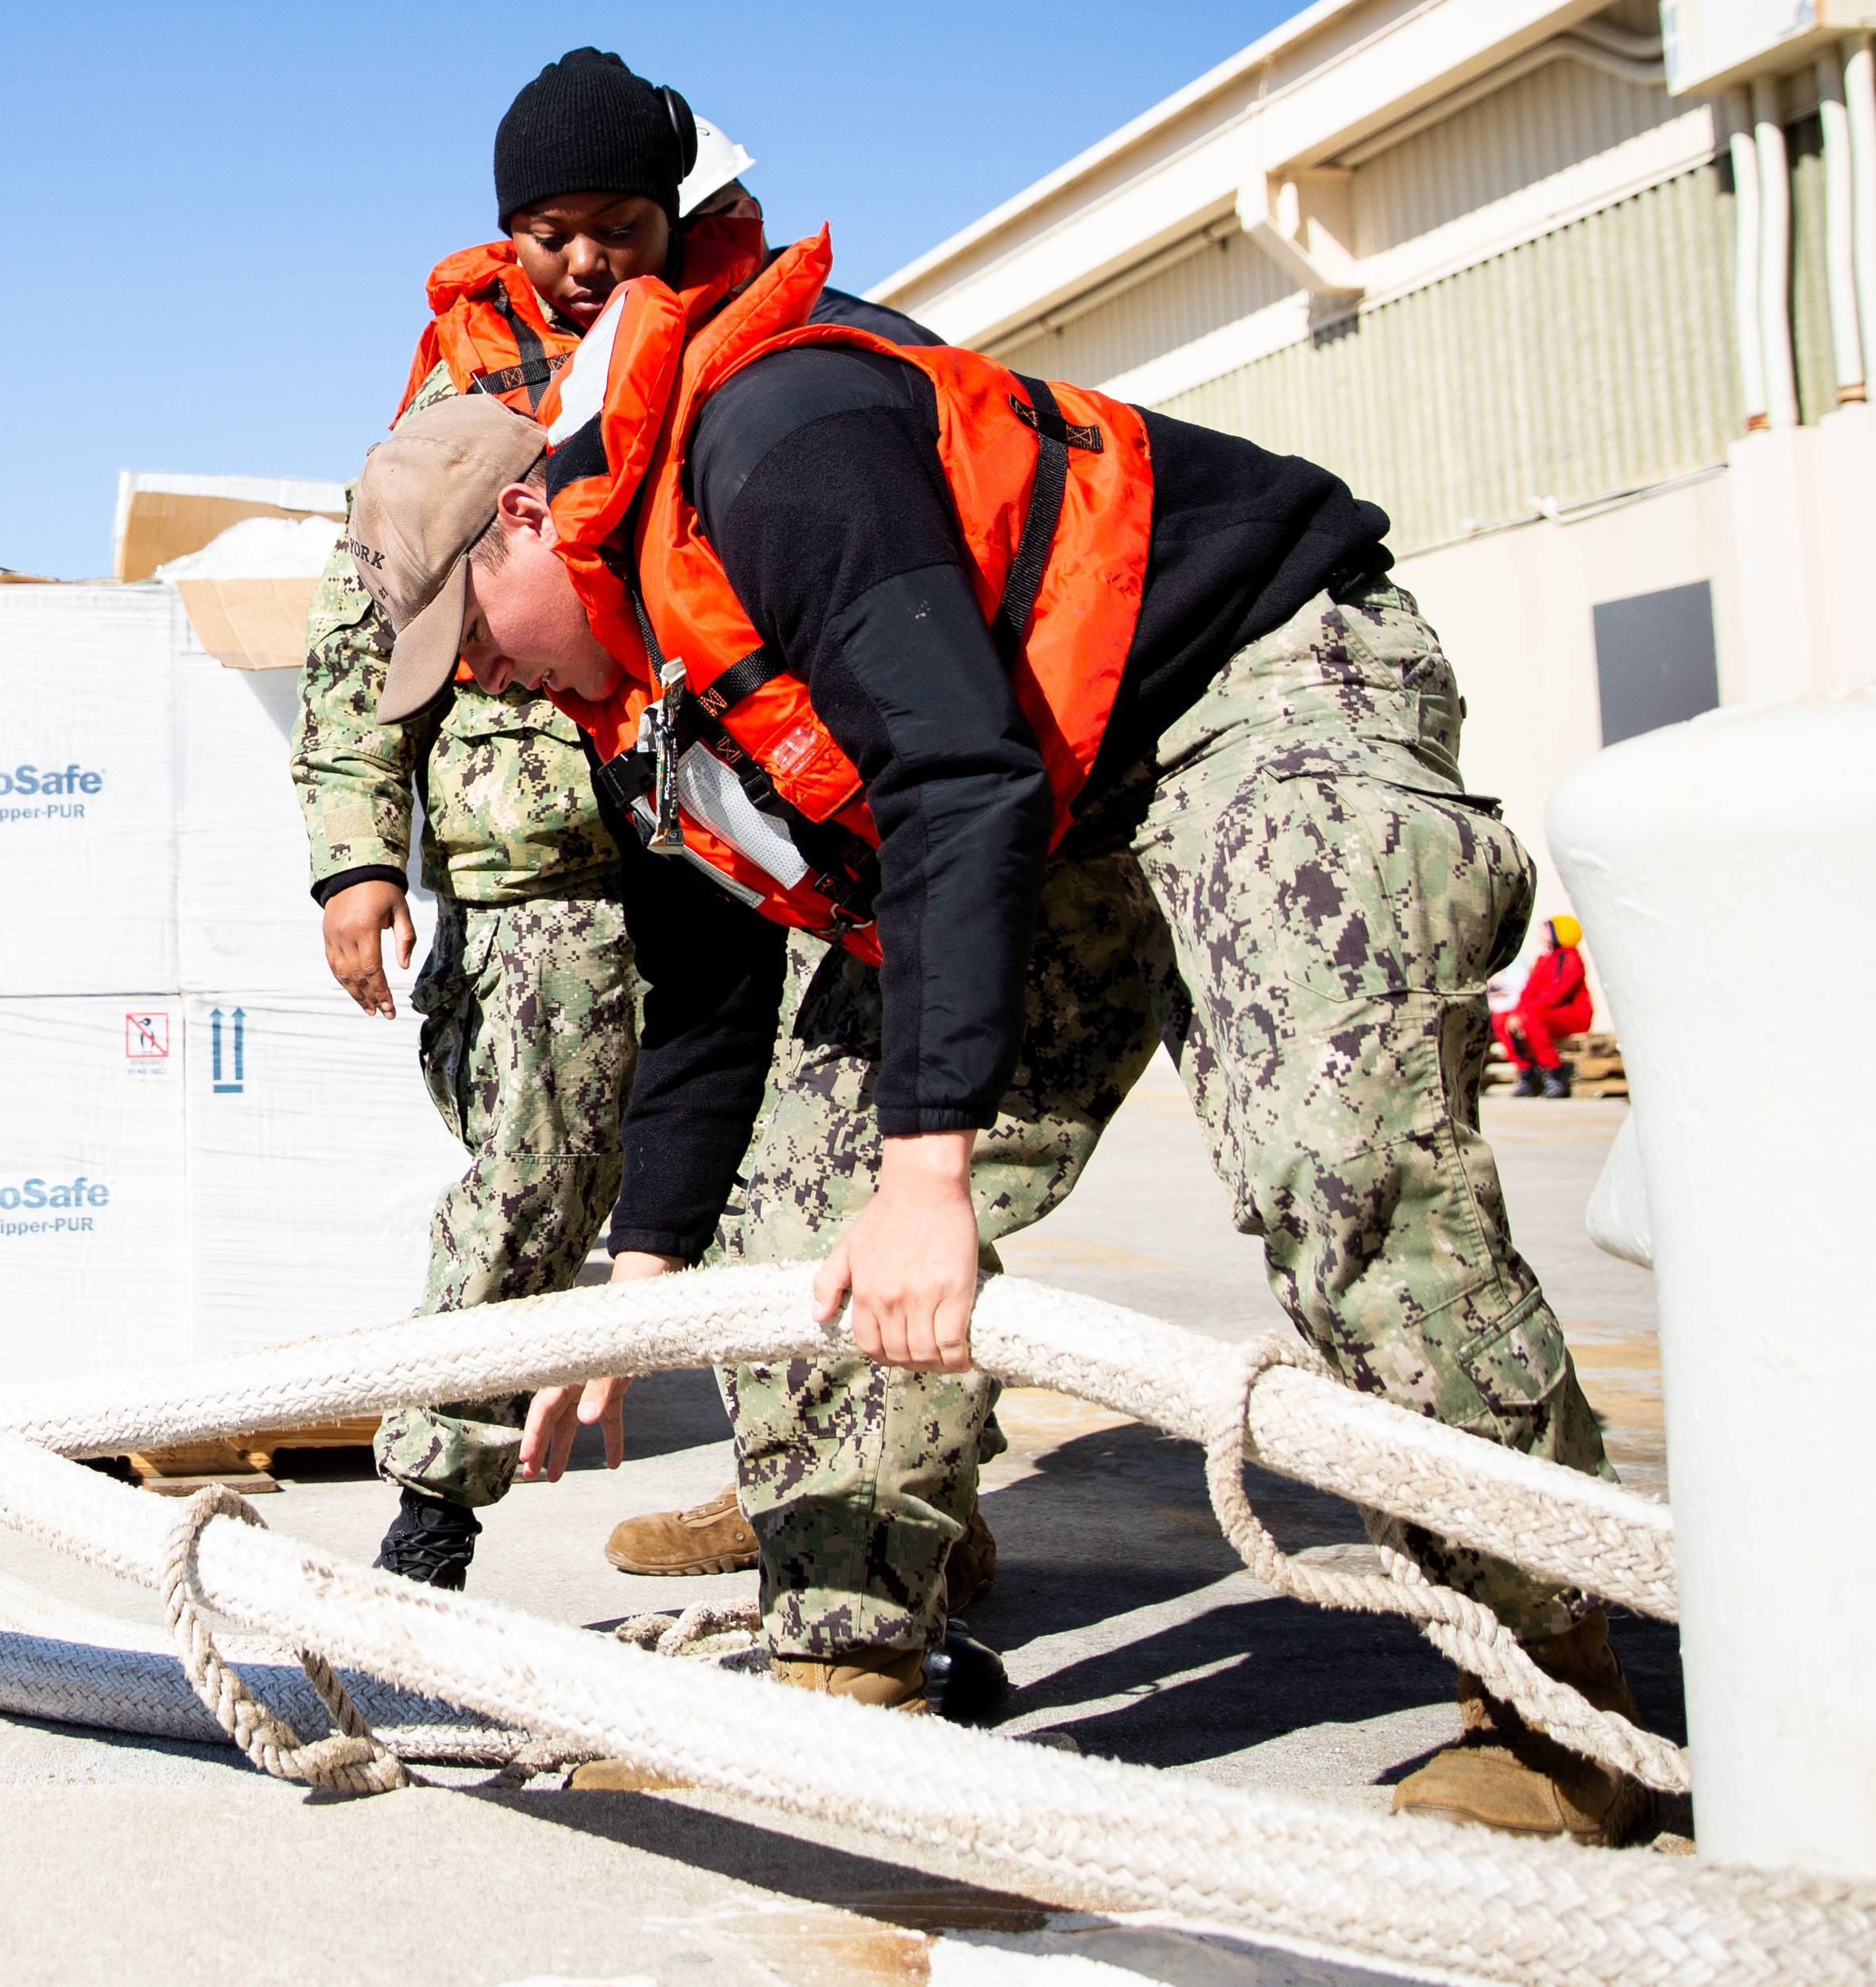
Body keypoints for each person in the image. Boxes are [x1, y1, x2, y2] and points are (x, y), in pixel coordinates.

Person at [343, 223, 1648, 1845]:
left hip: (1248, 680)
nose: (486, 682)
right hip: (1039, 787)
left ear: (527, 516)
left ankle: (1555, 1705)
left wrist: (934, 1166)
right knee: (794, 1231)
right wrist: (647, 1266)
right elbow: (712, 968)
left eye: (471, 635)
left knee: (1344, 1161)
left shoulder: (777, 455)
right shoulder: (635, 686)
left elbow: (956, 775)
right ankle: (846, 1665)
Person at [291, 49, 707, 1592]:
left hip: (745, 855)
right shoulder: (444, 415)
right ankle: (431, 1517)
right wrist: (355, 857)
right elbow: (357, 647)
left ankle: (864, 1527)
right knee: (530, 1186)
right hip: (539, 877)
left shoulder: (732, 358)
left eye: (617, 223)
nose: (586, 259)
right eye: (548, 228)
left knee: (820, 1189)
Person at [1494, 918, 1593, 1097]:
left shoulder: (1569, 957)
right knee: (1501, 1019)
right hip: (1541, 1013)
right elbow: (1529, 990)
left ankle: (1555, 1070)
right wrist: (1517, 1013)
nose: (1542, 930)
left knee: (1529, 1017)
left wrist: (1523, 1014)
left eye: (1548, 928)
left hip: (1572, 1015)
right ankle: (1527, 1071)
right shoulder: (1544, 958)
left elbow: (1557, 993)